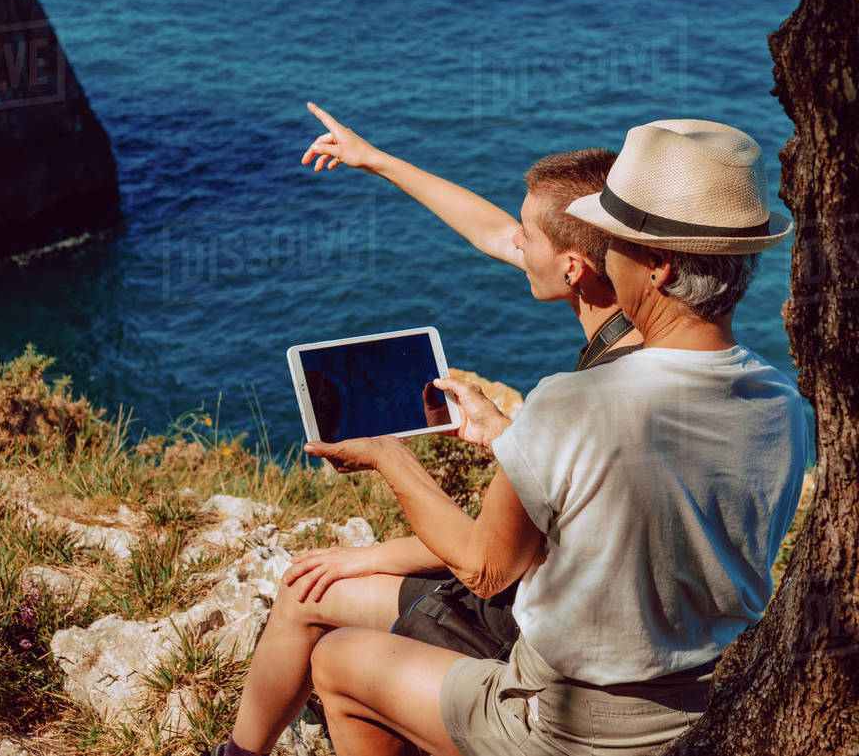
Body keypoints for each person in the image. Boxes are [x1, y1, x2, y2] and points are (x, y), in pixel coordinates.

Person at [208, 119, 806, 756]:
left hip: (573, 719)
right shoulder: (784, 404)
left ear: (656, 265)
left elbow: (489, 568)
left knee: (337, 662)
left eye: (618, 242)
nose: (606, 252)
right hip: (709, 696)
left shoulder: (579, 401)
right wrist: (514, 439)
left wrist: (388, 455)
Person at [300, 102, 644, 370]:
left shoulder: (607, 385)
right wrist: (373, 159)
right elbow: (492, 231)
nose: (516, 240)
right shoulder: (657, 310)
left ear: (573, 268)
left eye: (528, 235)